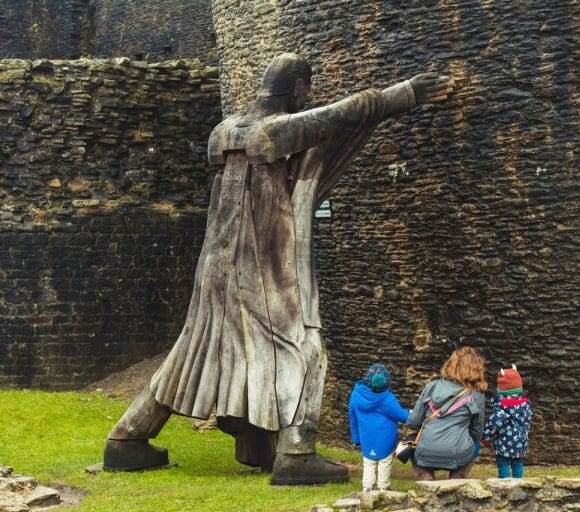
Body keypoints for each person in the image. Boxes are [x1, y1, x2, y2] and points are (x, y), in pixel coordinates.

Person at [102, 52, 456, 486]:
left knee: (200, 349)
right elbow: (339, 115)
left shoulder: (225, 131)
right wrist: (402, 95)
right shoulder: (274, 131)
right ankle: (296, 451)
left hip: (216, 266)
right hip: (265, 266)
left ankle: (129, 438)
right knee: (303, 351)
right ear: (299, 89)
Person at [405, 346, 487, 480]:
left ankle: (425, 474)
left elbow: (413, 422)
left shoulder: (432, 386)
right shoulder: (476, 394)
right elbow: (476, 432)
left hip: (425, 452)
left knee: (412, 442)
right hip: (457, 454)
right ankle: (457, 475)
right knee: (476, 444)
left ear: (450, 364)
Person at [348, 363, 410, 492]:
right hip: (385, 438)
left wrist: (356, 438)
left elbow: (353, 418)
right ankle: (383, 487)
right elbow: (401, 416)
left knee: (369, 462)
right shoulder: (387, 399)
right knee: (384, 461)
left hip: (366, 437)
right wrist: (411, 413)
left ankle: (367, 487)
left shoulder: (356, 395)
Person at [481, 365, 532, 478]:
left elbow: (494, 422)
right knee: (518, 464)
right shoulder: (525, 404)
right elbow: (527, 422)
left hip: (503, 443)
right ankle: (518, 483)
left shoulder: (503, 405)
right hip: (520, 442)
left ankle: (505, 484)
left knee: (503, 463)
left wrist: (486, 437)